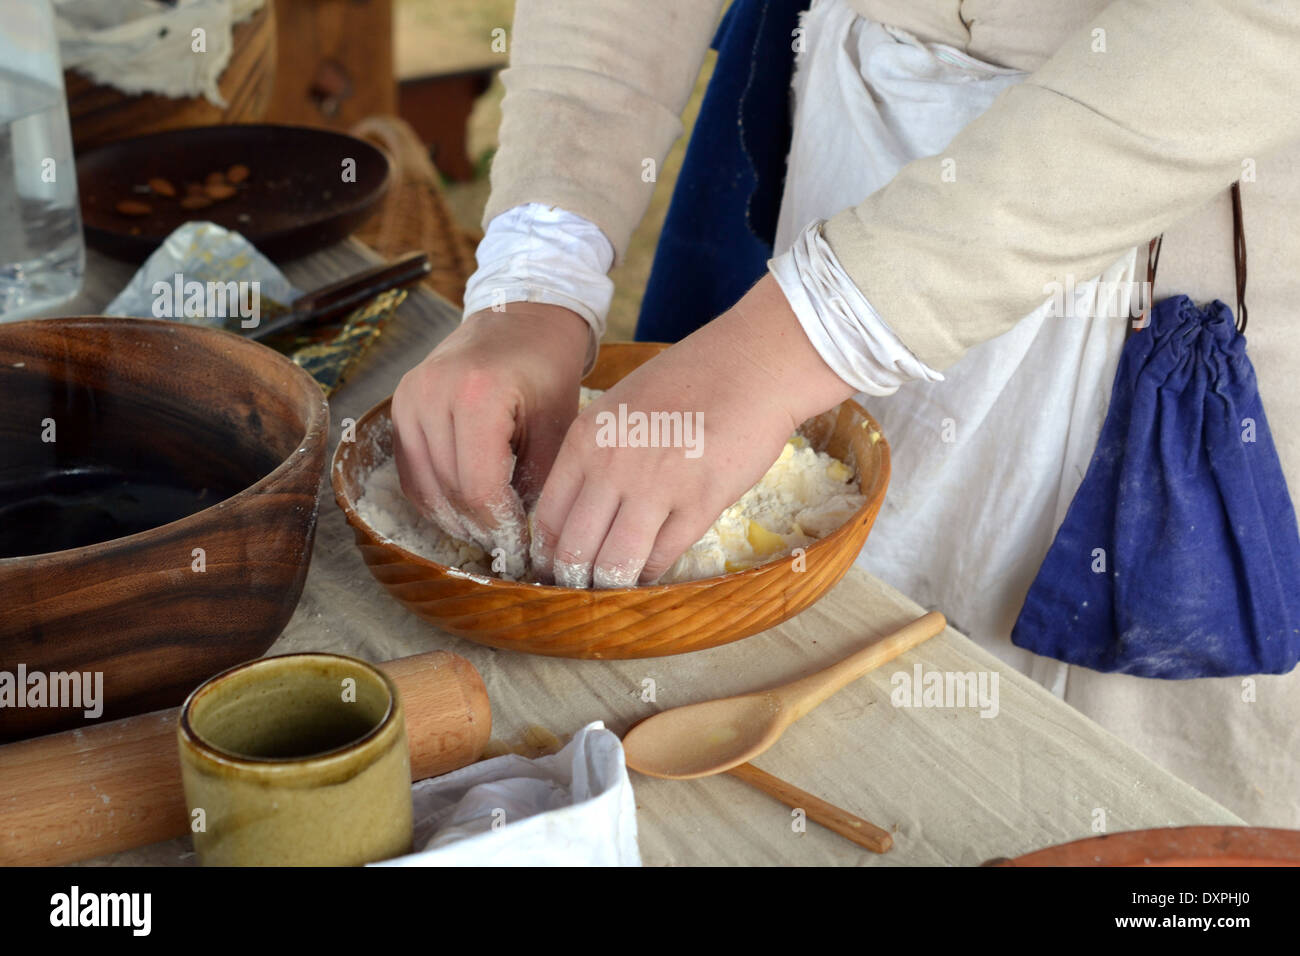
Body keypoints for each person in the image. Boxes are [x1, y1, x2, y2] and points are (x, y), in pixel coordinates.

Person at [392, 0, 1300, 825]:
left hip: (1168, 221)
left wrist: (796, 343)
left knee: (1088, 808)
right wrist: (538, 278)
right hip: (853, 144)